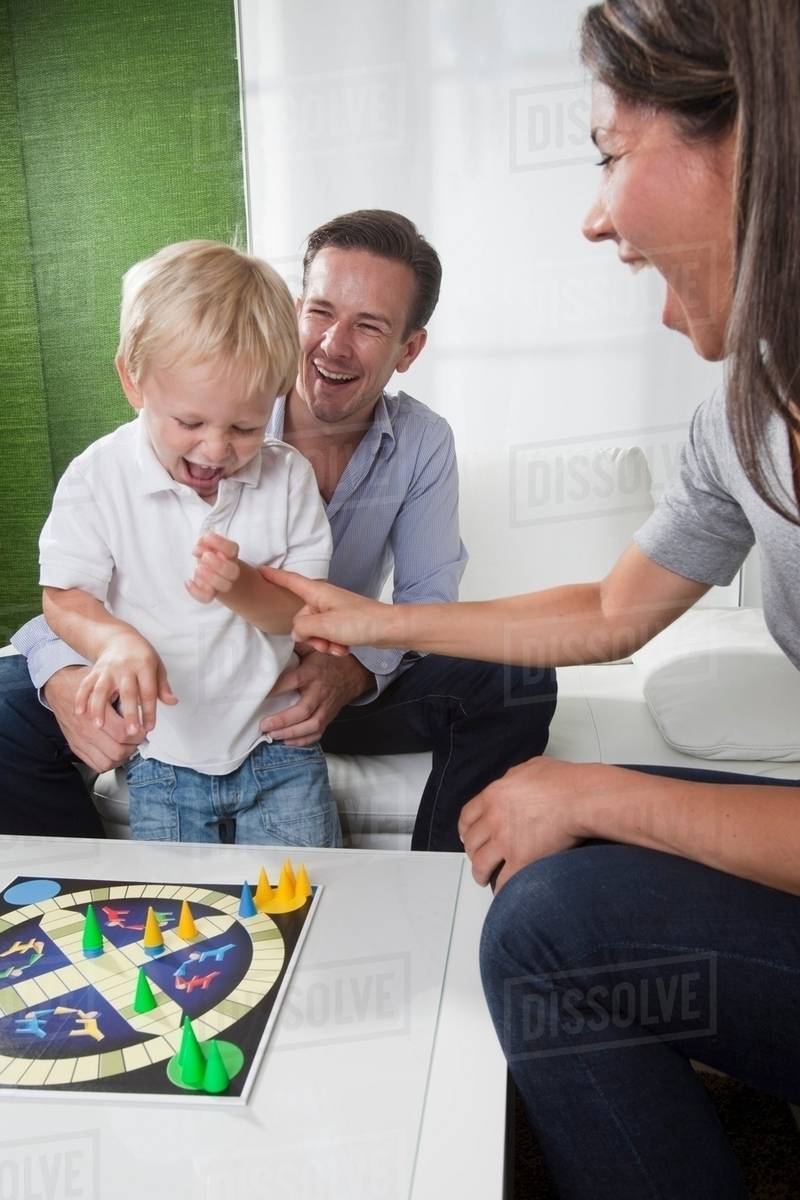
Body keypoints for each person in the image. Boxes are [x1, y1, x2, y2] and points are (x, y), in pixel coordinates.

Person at [255, 6, 800, 1195]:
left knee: (550, 919)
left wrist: (598, 787)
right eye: (319, 310)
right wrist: (371, 619)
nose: (594, 213)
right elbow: (611, 606)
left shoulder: (427, 441)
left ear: (753, 131)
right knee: (549, 880)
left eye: (607, 153)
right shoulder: (742, 415)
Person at [2, 210, 557, 850]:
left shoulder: (417, 444)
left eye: (369, 326)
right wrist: (68, 676)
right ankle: (92, 899)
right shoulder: (207, 402)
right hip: (181, 680)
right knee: (8, 698)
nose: (333, 345)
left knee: (521, 672)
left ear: (409, 348)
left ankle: (445, 883)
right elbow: (84, 588)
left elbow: (428, 603)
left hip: (306, 678)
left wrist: (351, 672)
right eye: (320, 312)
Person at [38, 239, 338, 846]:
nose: (216, 449)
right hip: (162, 760)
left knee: (309, 897)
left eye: (245, 427)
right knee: (175, 919)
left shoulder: (287, 478)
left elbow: (306, 615)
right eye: (190, 422)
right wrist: (115, 642)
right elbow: (64, 597)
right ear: (133, 381)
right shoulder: (98, 476)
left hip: (275, 747)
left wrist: (244, 588)